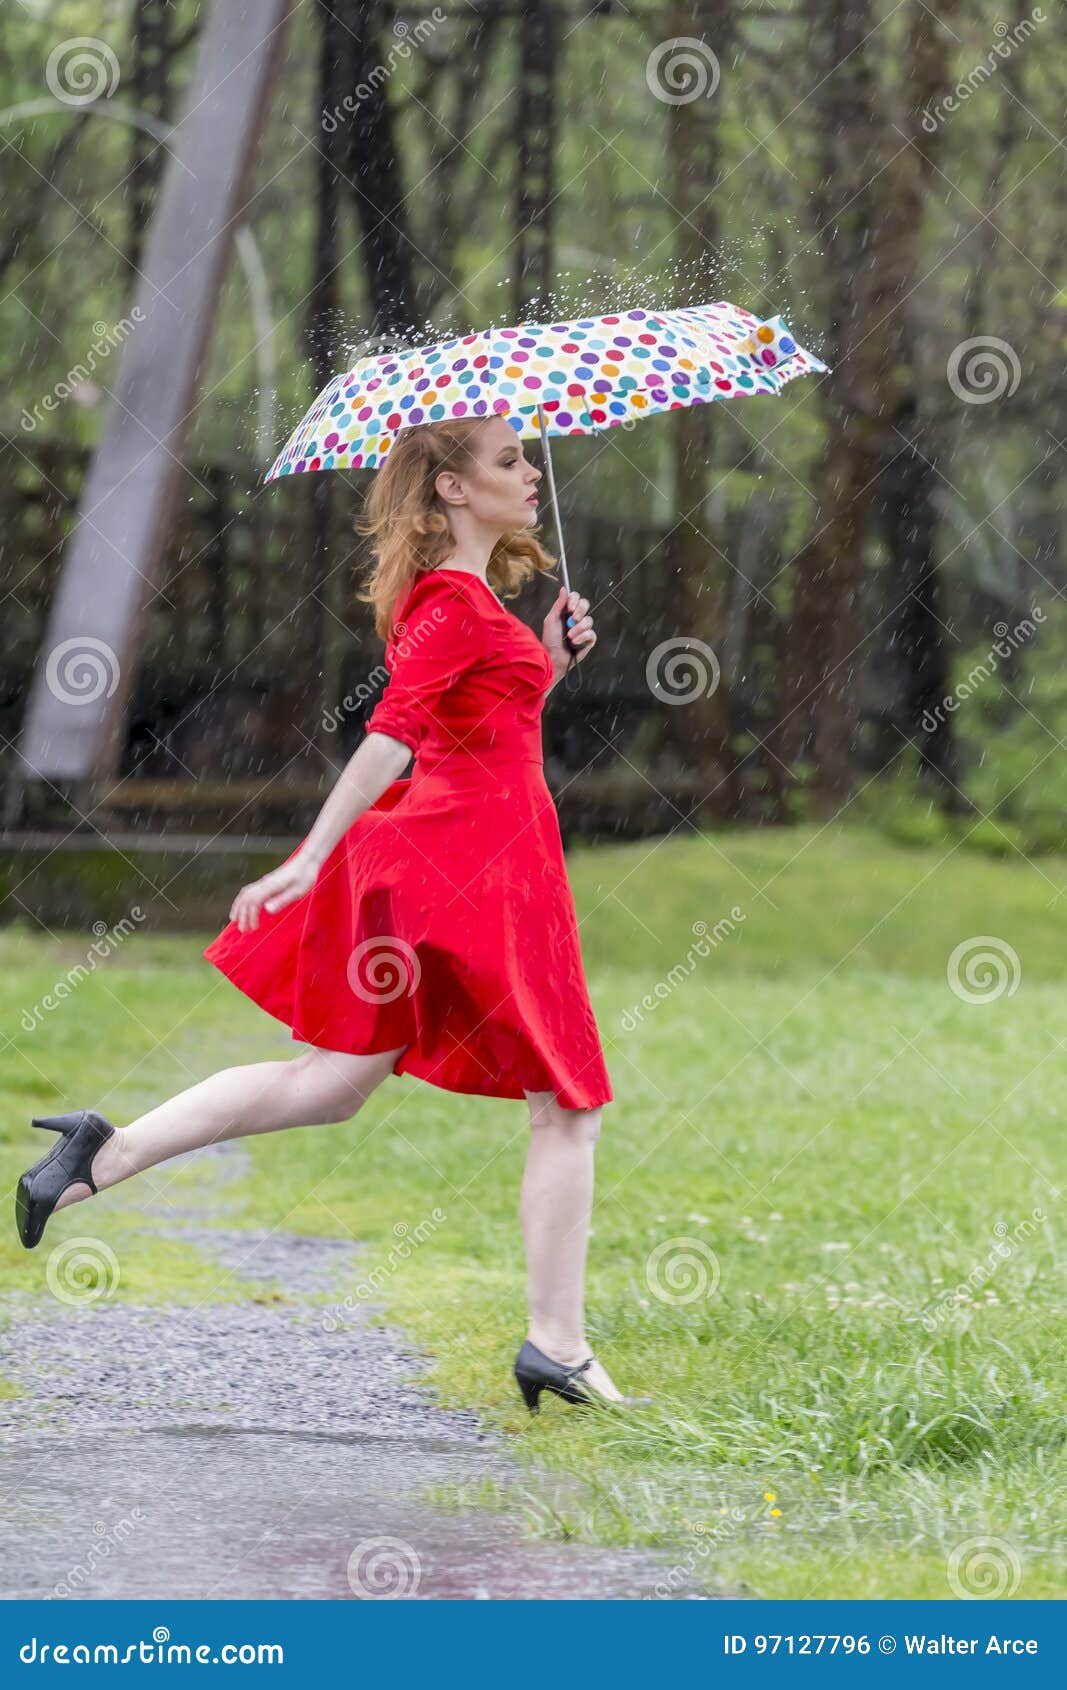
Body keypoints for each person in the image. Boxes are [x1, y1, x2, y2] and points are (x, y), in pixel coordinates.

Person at [15, 414, 648, 1413]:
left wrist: (546, 660)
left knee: (333, 1084)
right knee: (567, 1103)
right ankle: (556, 1344)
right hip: (469, 869)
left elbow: (481, 726)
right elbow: (391, 736)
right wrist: (309, 857)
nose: (530, 473)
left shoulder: (467, 603)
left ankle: (107, 1150)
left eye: (527, 458)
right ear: (451, 488)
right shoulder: (450, 605)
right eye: (508, 459)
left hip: (469, 859)